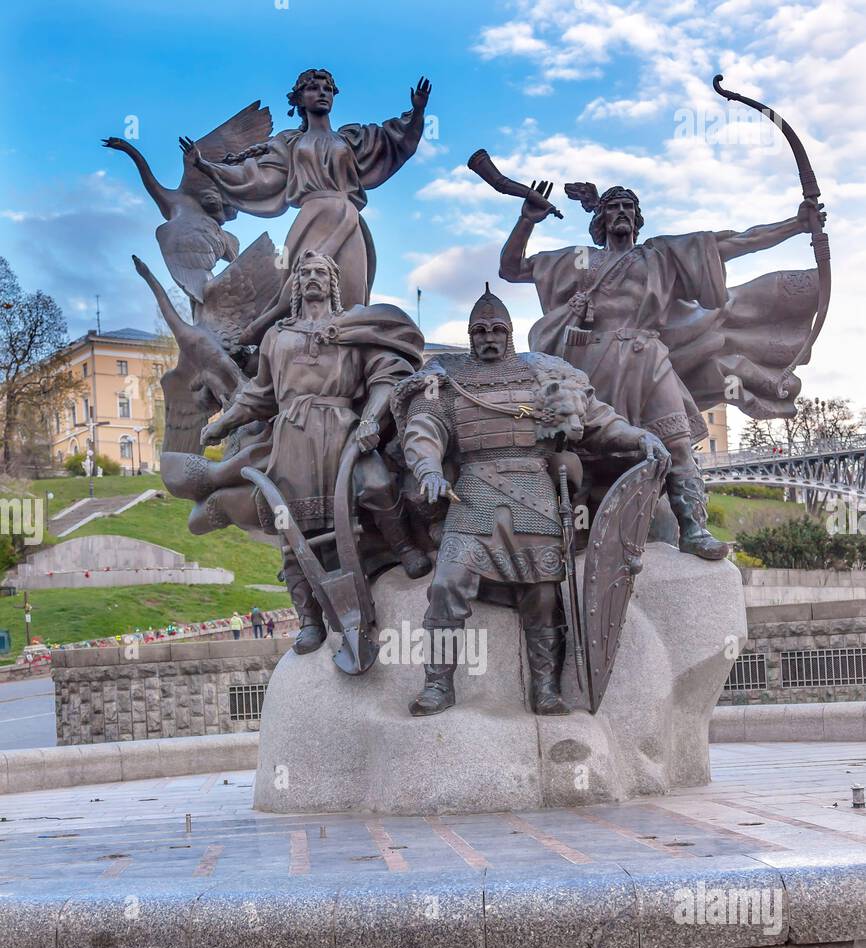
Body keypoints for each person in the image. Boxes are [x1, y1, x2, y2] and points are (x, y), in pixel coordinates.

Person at [499, 182, 825, 561]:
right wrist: (526, 220)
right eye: (612, 207)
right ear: (600, 219)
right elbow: (511, 269)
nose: (621, 211)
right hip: (592, 365)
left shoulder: (662, 256)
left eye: (627, 206)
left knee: (678, 443)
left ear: (637, 219)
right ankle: (572, 535)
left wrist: (795, 225)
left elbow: (734, 243)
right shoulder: (580, 260)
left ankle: (693, 529)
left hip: (648, 359)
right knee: (583, 453)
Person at [393, 285, 669, 717]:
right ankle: (437, 684)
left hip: (536, 496)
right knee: (446, 585)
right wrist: (427, 468)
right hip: (475, 495)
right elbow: (424, 429)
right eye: (480, 330)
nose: (488, 337)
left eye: (497, 329)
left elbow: (596, 420)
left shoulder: (543, 375)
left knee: (543, 597)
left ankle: (545, 688)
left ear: (510, 333)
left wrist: (638, 436)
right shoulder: (446, 381)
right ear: (469, 335)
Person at [192, 251, 430, 654]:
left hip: (342, 430)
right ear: (297, 284)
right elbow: (260, 395)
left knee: (375, 483)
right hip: (293, 437)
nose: (314, 278)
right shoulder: (277, 336)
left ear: (333, 282)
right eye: (305, 273)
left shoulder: (353, 328)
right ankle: (309, 621)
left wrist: (371, 419)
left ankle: (402, 545)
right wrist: (223, 422)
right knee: (292, 528)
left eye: (322, 272)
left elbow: (387, 375)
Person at [180, 67, 431, 340]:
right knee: (298, 296)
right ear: (299, 100)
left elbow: (395, 142)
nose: (322, 93)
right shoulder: (289, 143)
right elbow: (257, 178)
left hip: (348, 220)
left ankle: (350, 367)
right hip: (310, 219)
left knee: (350, 303)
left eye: (327, 89)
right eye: (313, 88)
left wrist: (417, 113)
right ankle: (285, 356)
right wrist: (205, 166)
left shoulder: (351, 138)